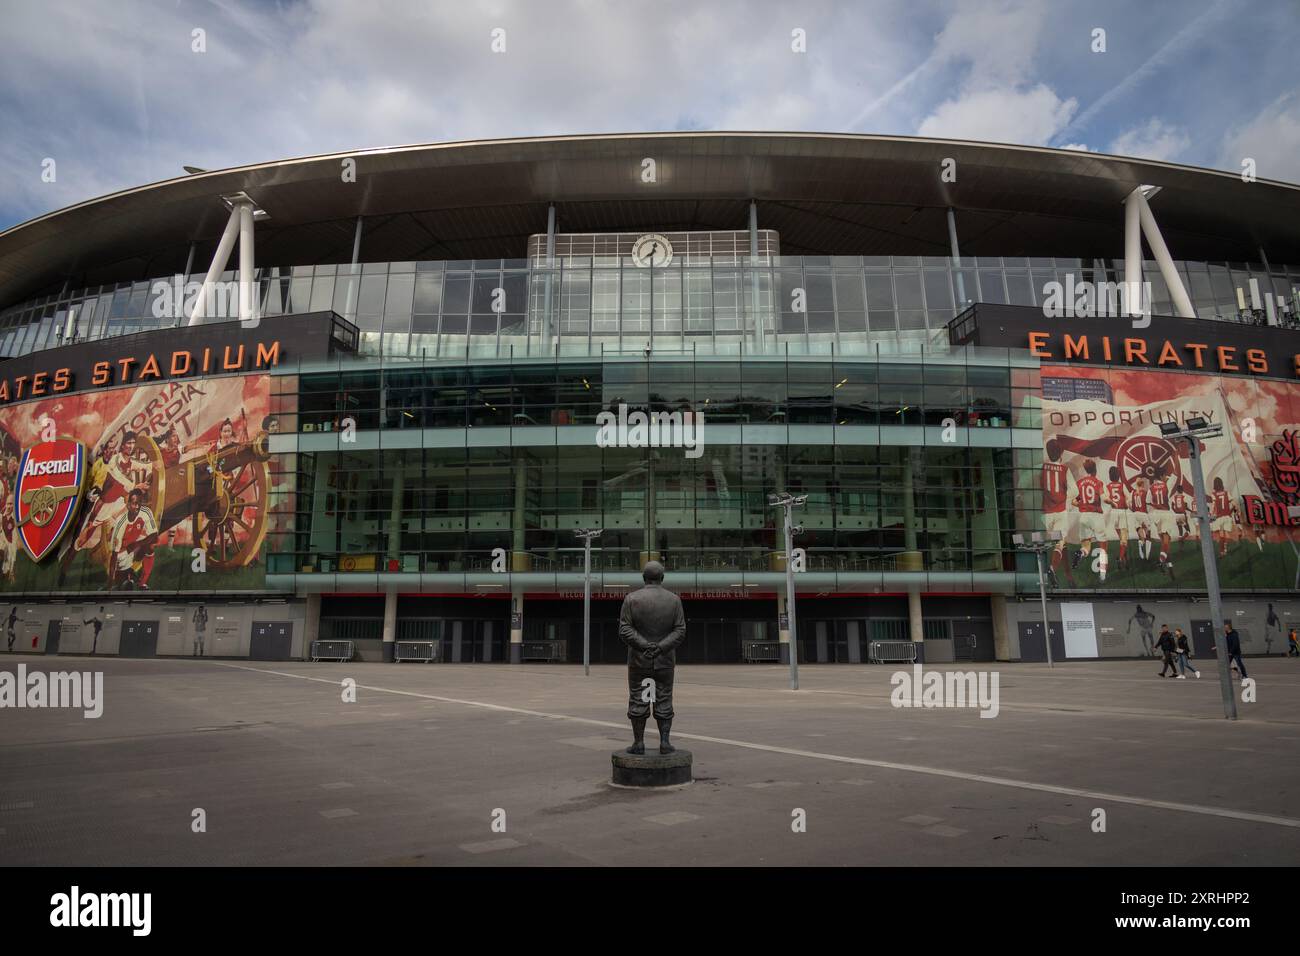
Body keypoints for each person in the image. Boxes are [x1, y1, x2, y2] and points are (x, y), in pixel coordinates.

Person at [618, 561, 687, 755]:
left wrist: (645, 646)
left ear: (643, 578)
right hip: (665, 660)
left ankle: (638, 743)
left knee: (638, 698)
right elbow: (680, 631)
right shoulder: (674, 600)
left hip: (639, 659)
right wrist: (660, 648)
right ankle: (664, 742)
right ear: (662, 578)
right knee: (664, 697)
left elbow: (624, 629)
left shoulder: (631, 599)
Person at [109, 488, 158, 589]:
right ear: (128, 505)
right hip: (122, 552)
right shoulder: (121, 523)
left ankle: (142, 583)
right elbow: (114, 556)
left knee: (151, 544)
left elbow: (154, 535)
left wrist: (137, 544)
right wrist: (110, 581)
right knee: (124, 585)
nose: (137, 506)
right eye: (134, 503)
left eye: (139, 503)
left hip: (134, 546)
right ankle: (127, 574)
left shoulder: (146, 512)